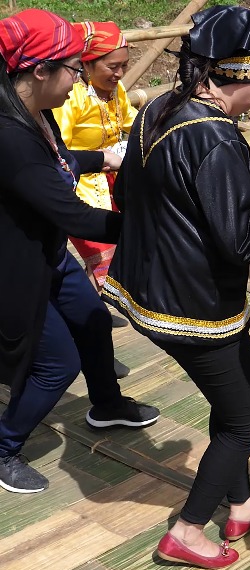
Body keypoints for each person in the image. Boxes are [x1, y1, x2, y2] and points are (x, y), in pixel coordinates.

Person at [103, 6, 250, 569]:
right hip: (193, 305)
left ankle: (238, 505)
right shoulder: (214, 138)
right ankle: (188, 530)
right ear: (239, 76)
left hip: (151, 285)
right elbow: (243, 242)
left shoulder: (159, 109)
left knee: (232, 403)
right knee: (246, 418)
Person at [0, 9, 160, 495]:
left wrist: (103, 157)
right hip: (14, 267)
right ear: (39, 71)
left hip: (44, 253)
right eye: (73, 67)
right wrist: (149, 225)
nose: (78, 77)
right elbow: (76, 216)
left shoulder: (32, 110)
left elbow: (59, 158)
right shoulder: (8, 136)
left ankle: (107, 405)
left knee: (92, 320)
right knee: (56, 364)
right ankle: (5, 445)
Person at [53, 21, 137, 291]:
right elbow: (59, 149)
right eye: (112, 67)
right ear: (86, 65)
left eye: (124, 65)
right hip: (83, 186)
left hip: (114, 178)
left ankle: (93, 307)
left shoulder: (116, 90)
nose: (120, 73)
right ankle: (88, 310)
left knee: (119, 247)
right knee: (102, 256)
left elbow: (130, 122)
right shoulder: (71, 98)